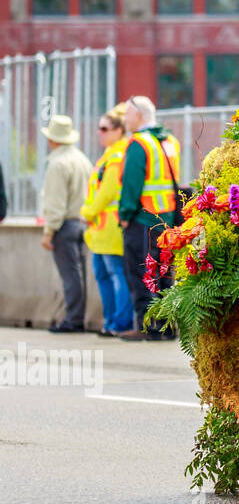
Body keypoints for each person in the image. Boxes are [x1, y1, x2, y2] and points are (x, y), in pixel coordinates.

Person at [117, 96, 182, 341]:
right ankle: (167, 326)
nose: (124, 119)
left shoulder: (139, 144)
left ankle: (147, 326)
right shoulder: (170, 141)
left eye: (127, 114)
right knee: (164, 273)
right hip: (166, 218)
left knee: (141, 272)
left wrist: (124, 216)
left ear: (139, 116)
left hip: (143, 219)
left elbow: (131, 185)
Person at [81, 105, 134, 338]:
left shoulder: (118, 154)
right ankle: (111, 321)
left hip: (110, 227)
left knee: (116, 274)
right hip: (101, 229)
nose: (99, 133)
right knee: (104, 275)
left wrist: (88, 211)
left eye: (104, 128)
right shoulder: (110, 153)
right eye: (99, 128)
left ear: (119, 130)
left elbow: (108, 191)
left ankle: (119, 323)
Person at [39, 115, 94, 333]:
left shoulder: (57, 164)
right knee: (78, 274)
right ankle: (76, 317)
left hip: (64, 225)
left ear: (52, 139)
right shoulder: (82, 159)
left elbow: (55, 202)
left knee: (69, 275)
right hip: (82, 222)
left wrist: (48, 231)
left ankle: (73, 319)